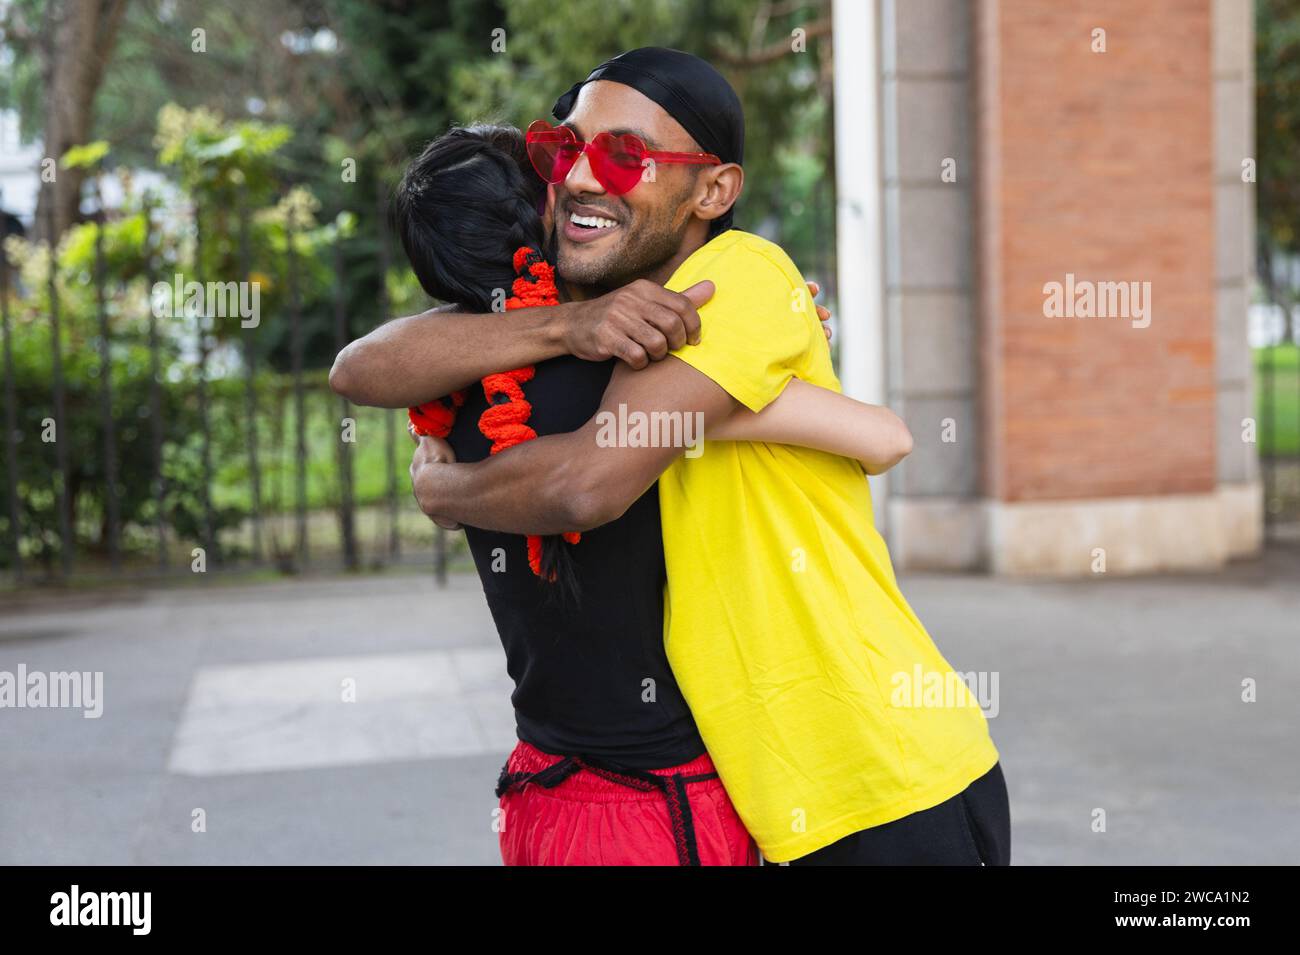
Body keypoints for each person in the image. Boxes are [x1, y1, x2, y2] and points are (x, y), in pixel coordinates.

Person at [337, 47, 1009, 866]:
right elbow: (359, 366)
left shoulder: (734, 276)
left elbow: (590, 477)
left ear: (714, 192)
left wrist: (446, 491)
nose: (582, 176)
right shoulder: (582, 332)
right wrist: (570, 328)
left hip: (885, 772)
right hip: (769, 796)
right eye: (564, 150)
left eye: (626, 155)